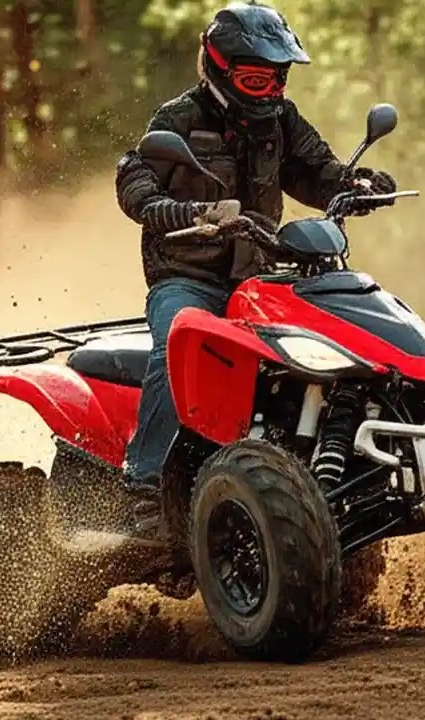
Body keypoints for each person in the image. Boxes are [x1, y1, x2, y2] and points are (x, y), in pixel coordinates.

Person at [113, 2, 397, 540]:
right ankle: (143, 486)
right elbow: (135, 176)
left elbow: (317, 171)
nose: (269, 91)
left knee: (339, 340)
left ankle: (337, 469)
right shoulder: (178, 119)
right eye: (254, 78)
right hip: (188, 279)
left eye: (278, 78)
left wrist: (355, 185)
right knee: (177, 343)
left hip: (262, 279)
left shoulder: (282, 120)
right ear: (219, 69)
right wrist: (168, 209)